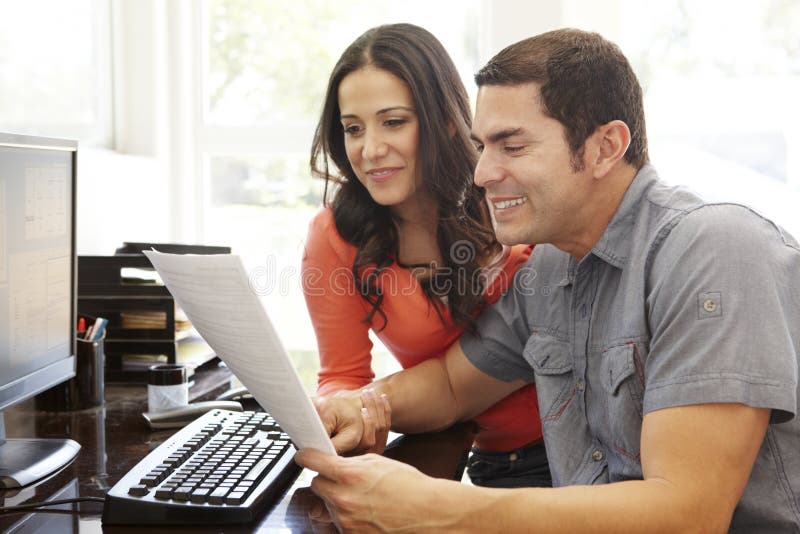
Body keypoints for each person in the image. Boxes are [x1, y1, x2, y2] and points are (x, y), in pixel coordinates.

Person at [297, 28, 800, 532]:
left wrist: (437, 508)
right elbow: (451, 386)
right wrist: (357, 408)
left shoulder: (716, 249)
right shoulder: (552, 266)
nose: (481, 174)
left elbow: (689, 514)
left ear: (606, 147)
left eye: (511, 147)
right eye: (482, 146)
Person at [302, 23, 550, 487]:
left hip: (588, 446)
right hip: (491, 459)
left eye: (394, 121)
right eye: (353, 128)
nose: (370, 150)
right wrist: (347, 413)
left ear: (442, 119)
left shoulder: (505, 196)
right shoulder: (336, 235)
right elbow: (341, 376)